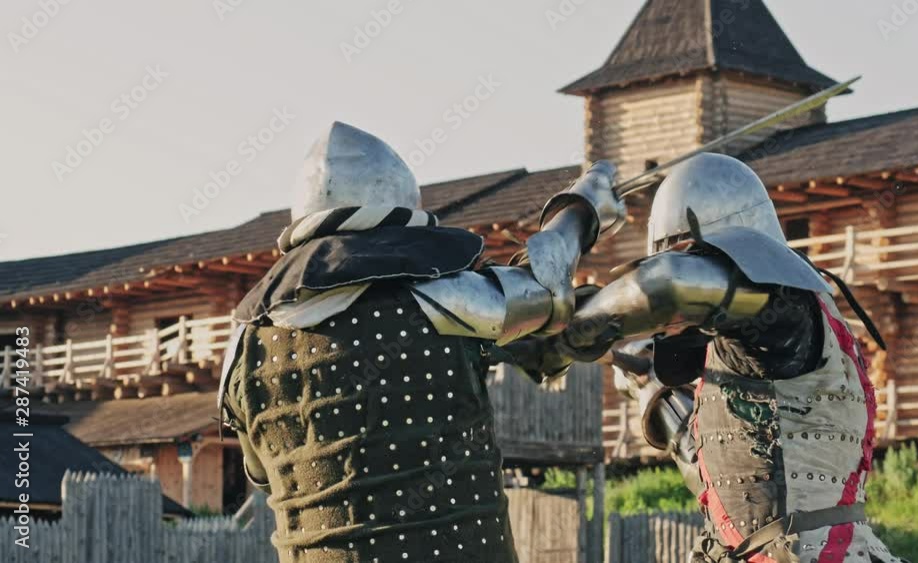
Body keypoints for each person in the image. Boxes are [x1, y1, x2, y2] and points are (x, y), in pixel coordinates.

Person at [217, 122, 625, 563]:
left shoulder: (244, 343)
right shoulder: (440, 296)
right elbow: (547, 290)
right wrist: (582, 207)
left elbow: (260, 472)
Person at [521, 153, 904, 563]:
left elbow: (667, 283)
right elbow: (738, 458)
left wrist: (576, 328)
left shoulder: (785, 308)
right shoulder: (767, 342)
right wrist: (655, 391)